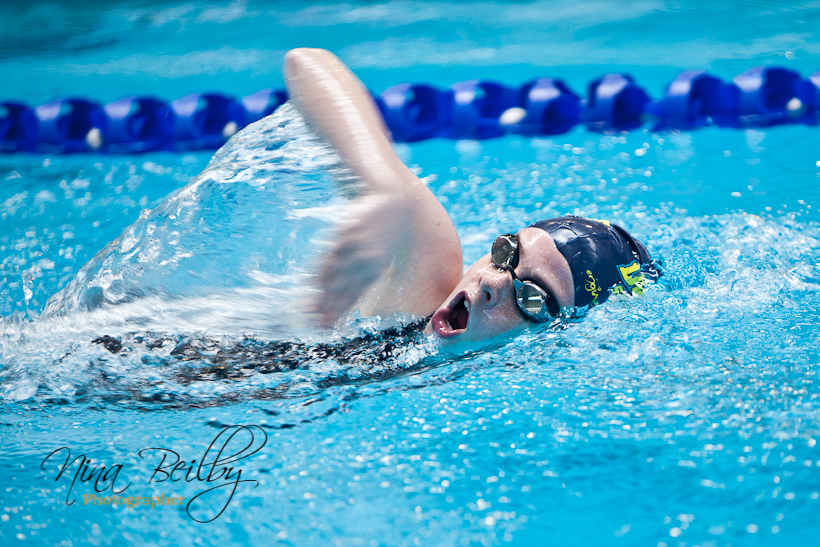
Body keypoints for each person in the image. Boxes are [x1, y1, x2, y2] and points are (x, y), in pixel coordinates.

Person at [284, 48, 661, 345]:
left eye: (532, 298)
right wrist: (387, 189)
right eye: (506, 253)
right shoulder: (421, 286)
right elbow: (306, 62)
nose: (492, 283)